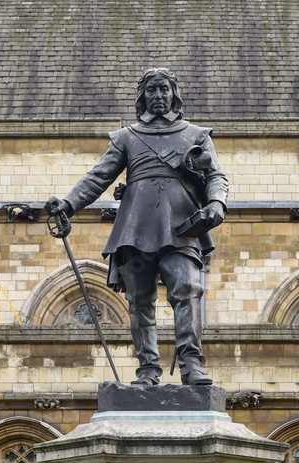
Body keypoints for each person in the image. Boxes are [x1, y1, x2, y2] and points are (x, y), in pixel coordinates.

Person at [46, 68, 228, 386]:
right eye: (152, 90)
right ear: (142, 97)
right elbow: (98, 177)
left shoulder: (196, 136)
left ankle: (190, 362)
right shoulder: (127, 137)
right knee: (140, 299)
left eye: (164, 90)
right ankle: (147, 369)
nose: (158, 96)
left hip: (181, 225)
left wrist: (216, 203)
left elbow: (216, 176)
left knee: (187, 288)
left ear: (174, 94)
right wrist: (69, 203)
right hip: (136, 226)